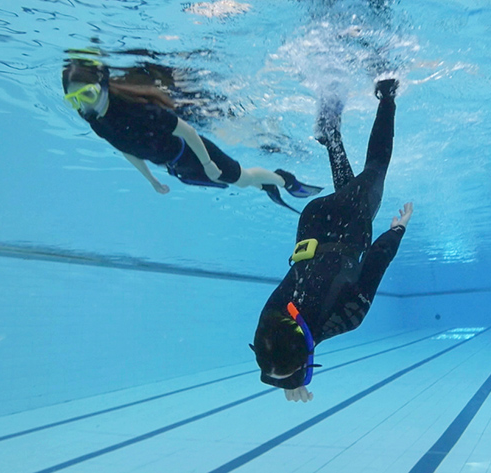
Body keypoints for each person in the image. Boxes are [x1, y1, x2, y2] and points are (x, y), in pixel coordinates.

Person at [250, 78, 413, 402]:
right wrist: (288, 374)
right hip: (313, 221)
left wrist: (396, 230)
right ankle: (331, 137)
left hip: (350, 223)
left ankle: (387, 94)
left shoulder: (346, 318)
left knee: (376, 169)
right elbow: (279, 343)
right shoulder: (270, 319)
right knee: (349, 189)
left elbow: (376, 261)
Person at [61, 58, 321, 211]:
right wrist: (151, 179)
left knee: (242, 179)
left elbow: (186, 129)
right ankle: (266, 184)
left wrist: (207, 163)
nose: (85, 105)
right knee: (236, 181)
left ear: (102, 85)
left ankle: (285, 180)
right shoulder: (98, 123)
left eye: (88, 94)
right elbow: (126, 149)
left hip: (195, 152)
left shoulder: (136, 109)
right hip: (176, 165)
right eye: (75, 100)